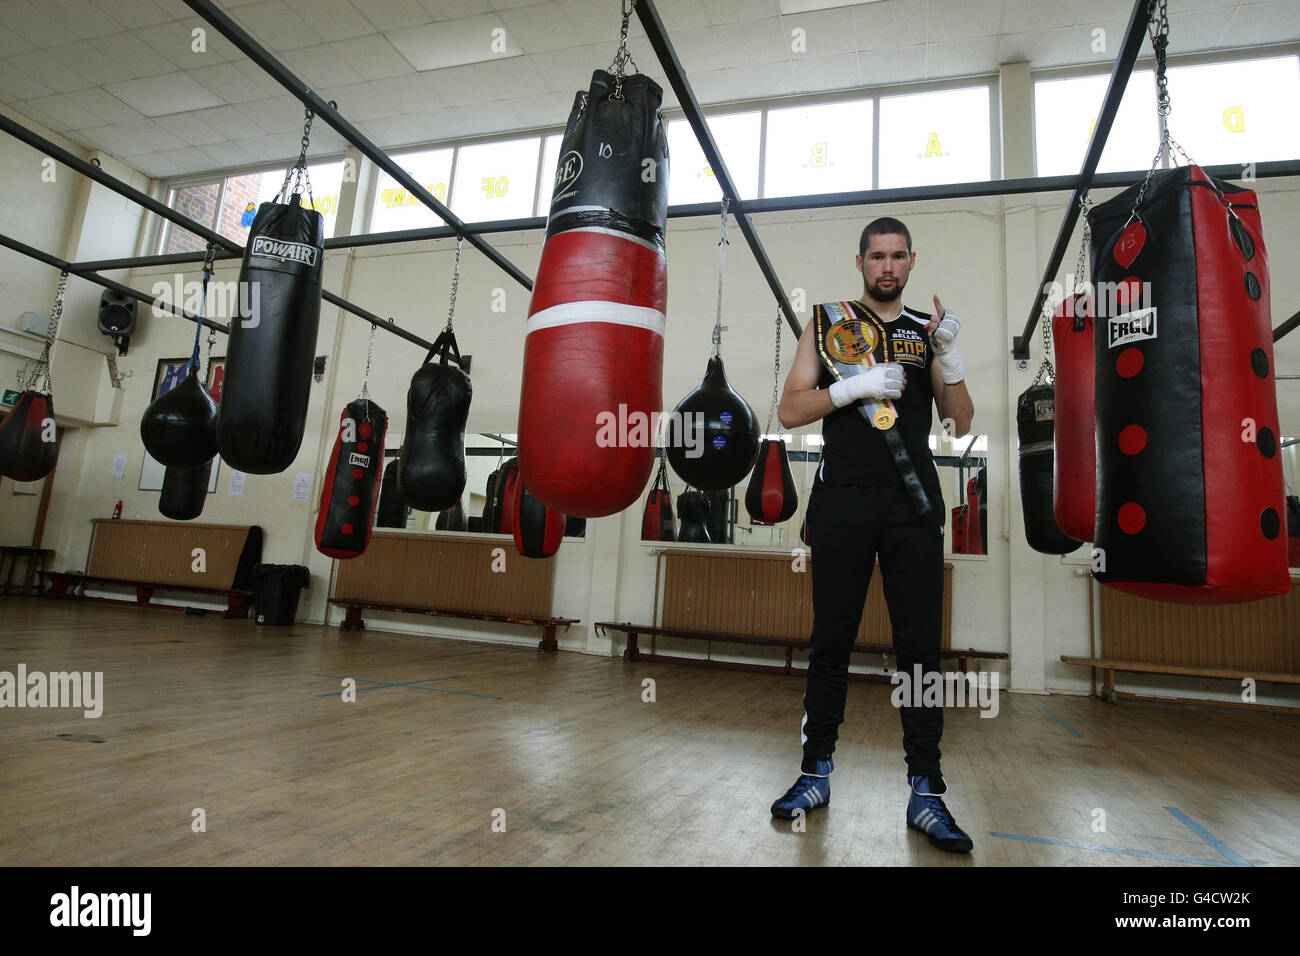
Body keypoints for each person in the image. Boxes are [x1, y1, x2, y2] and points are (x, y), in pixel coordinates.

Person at [771, 216, 976, 853]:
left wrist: (950, 355)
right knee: (831, 638)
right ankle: (815, 774)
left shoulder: (923, 331)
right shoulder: (828, 321)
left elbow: (961, 422)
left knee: (920, 647)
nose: (886, 266)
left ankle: (926, 790)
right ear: (859, 261)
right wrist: (852, 386)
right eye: (876, 257)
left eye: (897, 257)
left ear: (911, 261)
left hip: (913, 504)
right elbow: (789, 409)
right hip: (842, 502)